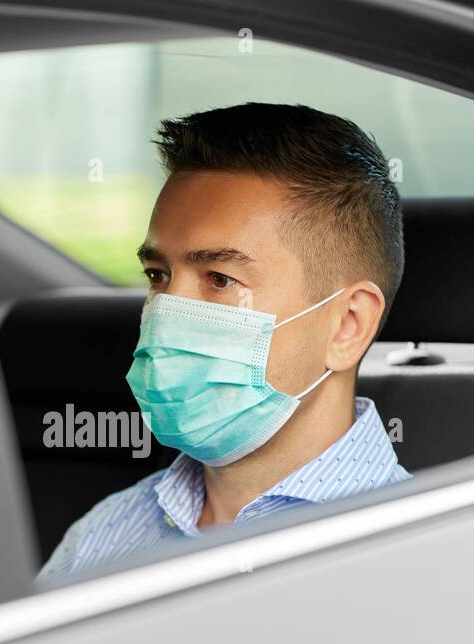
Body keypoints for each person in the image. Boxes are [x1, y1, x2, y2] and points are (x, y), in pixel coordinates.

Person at [40, 102, 410, 581]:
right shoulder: (101, 536)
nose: (167, 312)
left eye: (219, 278)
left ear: (348, 325)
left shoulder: (423, 553)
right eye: (158, 275)